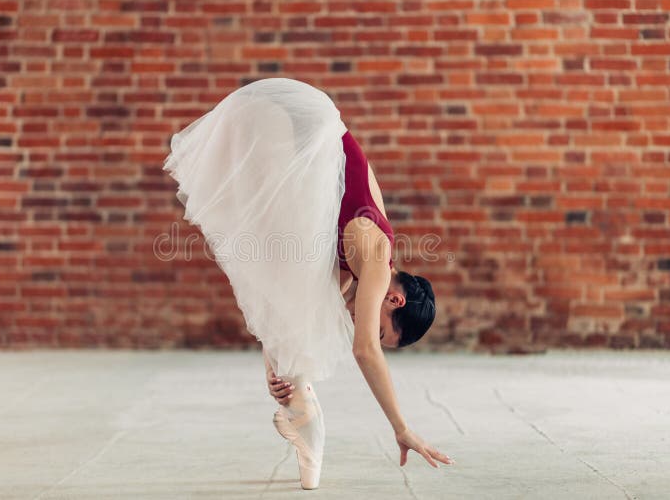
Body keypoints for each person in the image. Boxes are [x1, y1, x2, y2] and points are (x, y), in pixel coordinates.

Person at [163, 77, 453, 490]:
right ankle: (305, 425)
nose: (362, 324)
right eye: (381, 326)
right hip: (292, 122)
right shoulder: (374, 256)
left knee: (295, 340)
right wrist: (401, 427)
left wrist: (273, 367)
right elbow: (365, 351)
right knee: (298, 326)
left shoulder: (348, 269)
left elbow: (280, 306)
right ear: (395, 298)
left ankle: (299, 423)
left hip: (287, 129)